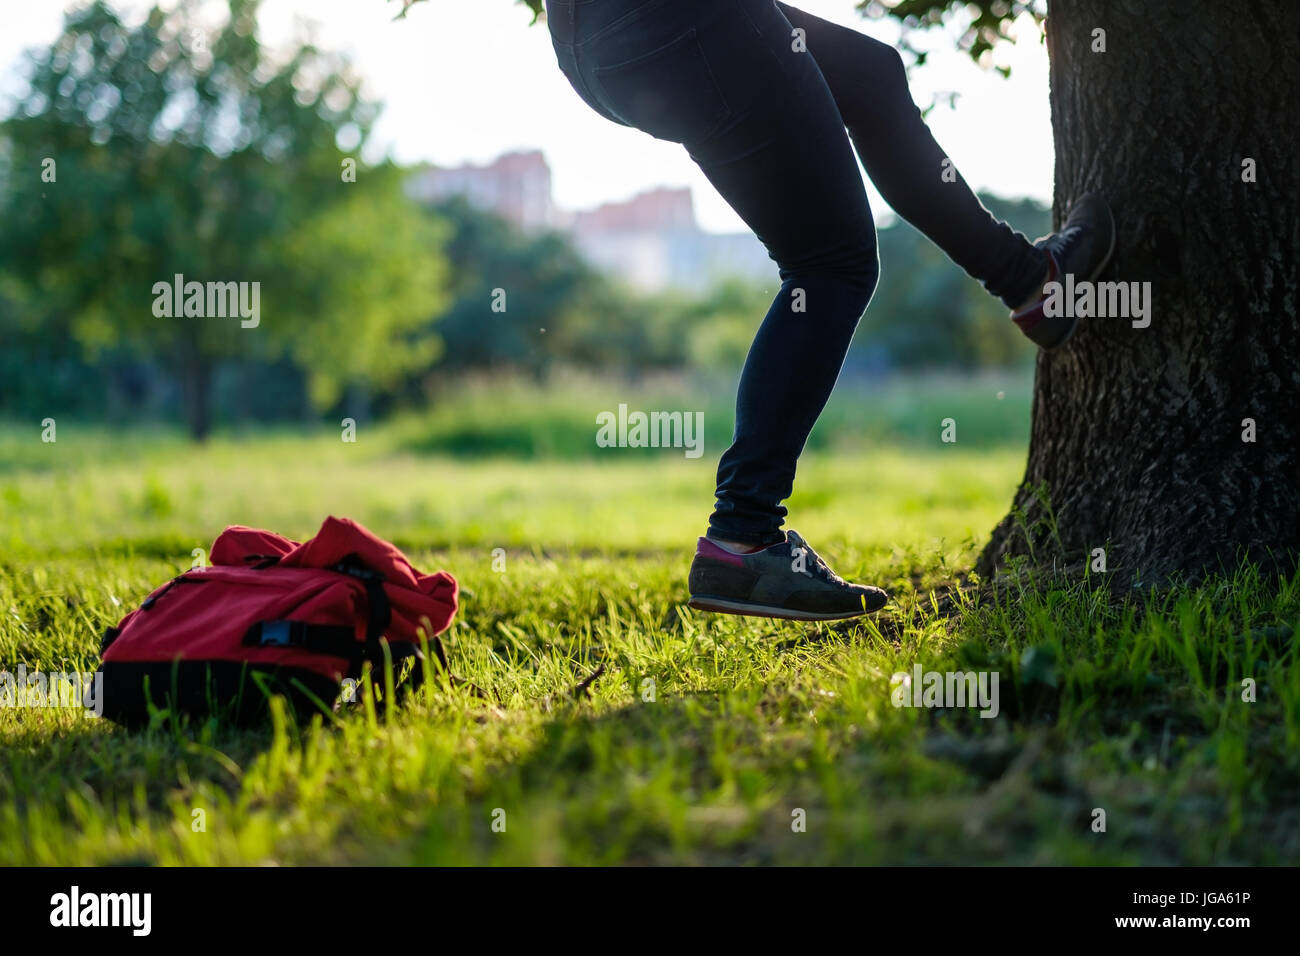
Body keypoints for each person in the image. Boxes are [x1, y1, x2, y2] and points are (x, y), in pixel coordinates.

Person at [544, 0, 1114, 621]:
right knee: (829, 264)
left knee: (870, 74)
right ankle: (744, 534)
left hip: (596, 41)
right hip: (682, 26)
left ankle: (1031, 285)